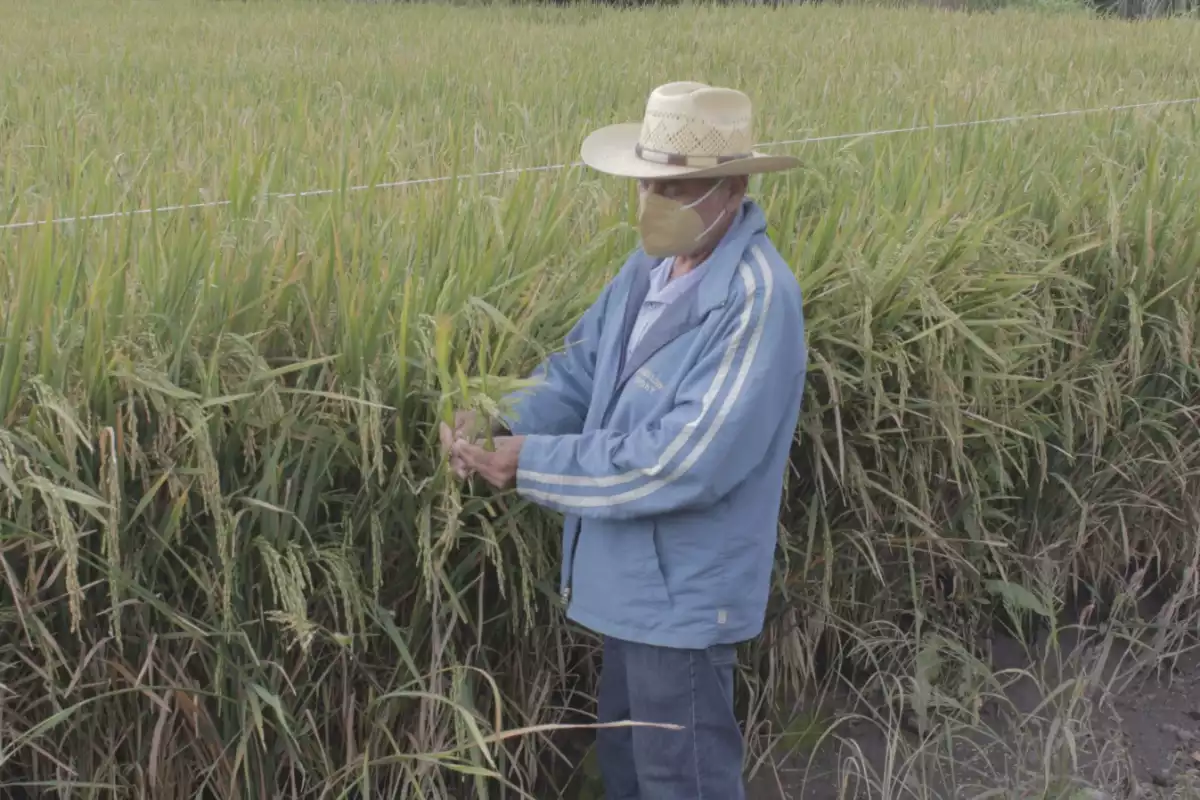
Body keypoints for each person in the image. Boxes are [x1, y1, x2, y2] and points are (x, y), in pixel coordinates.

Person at [440, 81, 807, 800]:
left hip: (683, 597)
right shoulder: (649, 270)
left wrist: (532, 462)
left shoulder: (756, 299)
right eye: (647, 183)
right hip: (630, 584)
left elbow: (682, 462)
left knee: (681, 781)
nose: (653, 203)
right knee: (630, 770)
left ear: (734, 188)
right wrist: (501, 418)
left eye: (678, 188)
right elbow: (581, 371)